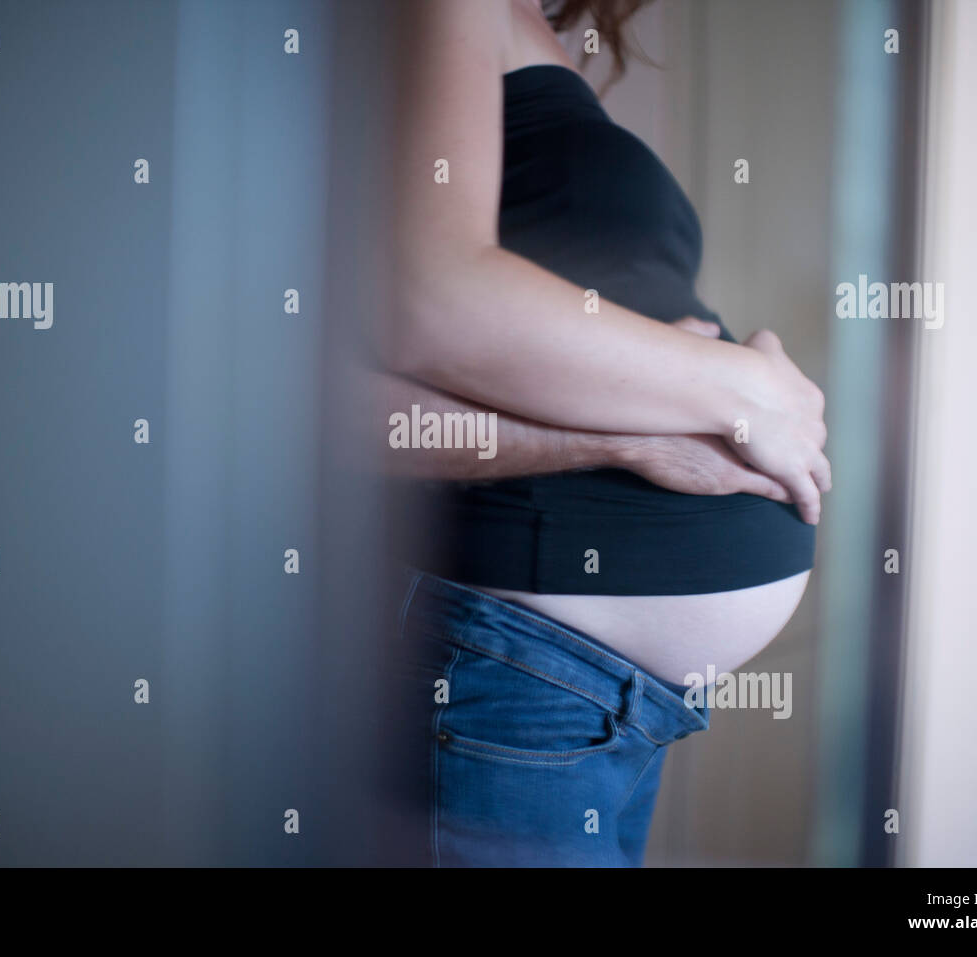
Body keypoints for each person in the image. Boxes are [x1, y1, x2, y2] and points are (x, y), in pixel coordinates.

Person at [374, 0, 830, 866]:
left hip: (601, 704)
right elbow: (419, 311)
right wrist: (728, 390)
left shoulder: (527, 34)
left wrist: (727, 381)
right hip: (512, 683)